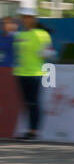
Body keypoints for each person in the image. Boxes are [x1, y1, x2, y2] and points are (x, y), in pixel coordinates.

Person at [13, 8, 53, 140]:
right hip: (21, 73)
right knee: (26, 102)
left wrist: (44, 52)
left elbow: (49, 53)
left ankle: (34, 131)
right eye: (23, 17)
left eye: (28, 17)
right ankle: (28, 130)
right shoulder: (19, 36)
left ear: (34, 19)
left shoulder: (42, 34)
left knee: (33, 102)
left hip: (35, 73)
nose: (25, 19)